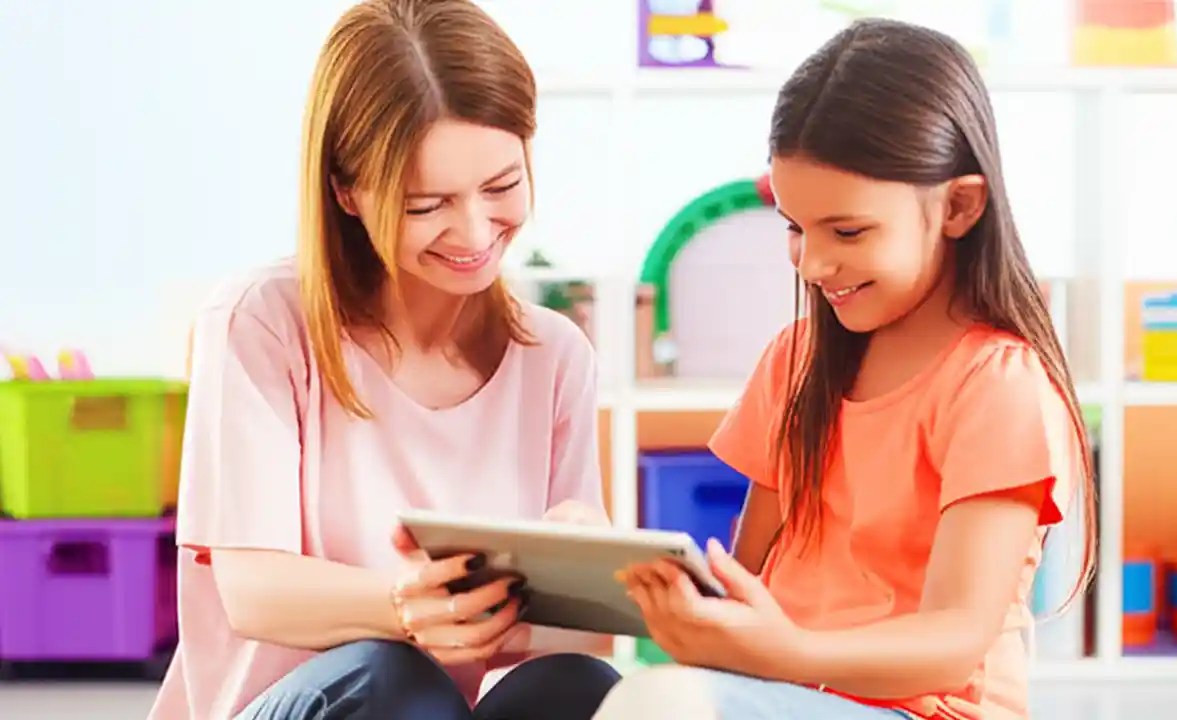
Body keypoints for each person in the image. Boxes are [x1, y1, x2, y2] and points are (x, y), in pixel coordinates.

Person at [596, 18, 1095, 720]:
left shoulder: (997, 386)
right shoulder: (795, 361)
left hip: (927, 710)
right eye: (796, 228)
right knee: (627, 690)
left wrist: (785, 653)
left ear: (958, 205)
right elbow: (754, 579)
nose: (812, 263)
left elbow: (955, 639)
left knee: (663, 702)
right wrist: (700, 619)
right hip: (788, 694)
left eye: (849, 231)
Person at [147, 1, 621, 718]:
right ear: (346, 190)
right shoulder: (261, 321)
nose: (473, 231)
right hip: (326, 703)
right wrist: (408, 607)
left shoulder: (553, 355)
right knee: (391, 679)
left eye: (501, 187)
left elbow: (576, 640)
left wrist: (587, 570)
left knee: (582, 690)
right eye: (426, 203)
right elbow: (253, 592)